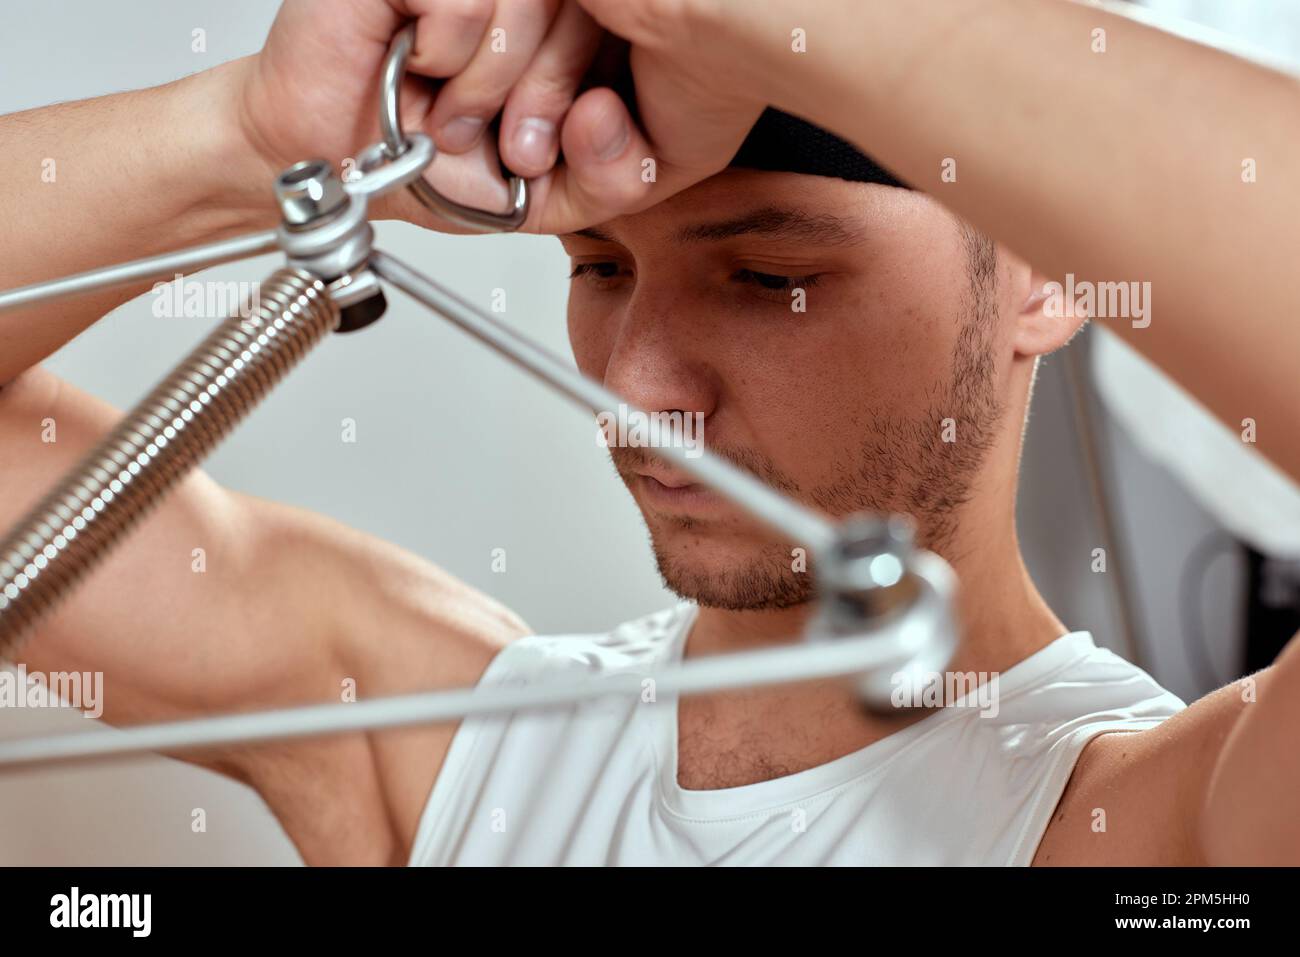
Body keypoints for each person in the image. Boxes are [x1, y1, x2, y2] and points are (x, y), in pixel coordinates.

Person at [0, 0, 1296, 865]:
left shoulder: (1160, 820)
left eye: (767, 280)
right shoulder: (442, 743)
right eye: (600, 271)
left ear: (1050, 277)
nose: (644, 389)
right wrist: (248, 142)